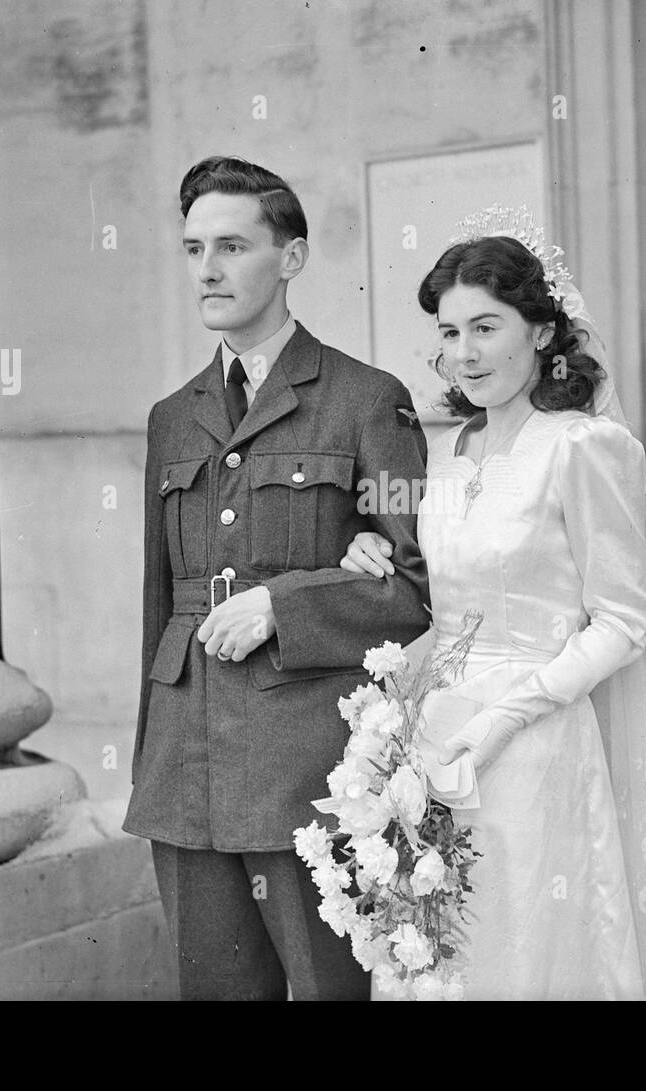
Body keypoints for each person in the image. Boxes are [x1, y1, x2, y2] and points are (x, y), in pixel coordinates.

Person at [339, 218, 646, 1000]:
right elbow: (448, 595)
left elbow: (624, 622)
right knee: (444, 949)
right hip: (436, 738)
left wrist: (506, 716)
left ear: (540, 331)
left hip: (535, 741)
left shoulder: (583, 447)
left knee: (529, 949)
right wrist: (367, 553)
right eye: (450, 332)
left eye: (487, 327)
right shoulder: (449, 451)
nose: (465, 353)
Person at [123, 156, 431, 1000]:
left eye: (232, 245)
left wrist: (281, 603)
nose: (209, 270)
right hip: (186, 767)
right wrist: (150, 755)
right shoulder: (172, 416)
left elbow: (412, 590)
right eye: (193, 249)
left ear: (290, 257)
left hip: (308, 769)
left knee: (332, 989)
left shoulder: (368, 400)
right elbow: (160, 603)